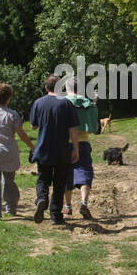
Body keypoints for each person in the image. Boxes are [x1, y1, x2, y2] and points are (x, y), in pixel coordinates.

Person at [28, 73, 79, 225]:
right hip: (62, 150)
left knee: (43, 179)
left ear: (46, 87)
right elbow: (73, 129)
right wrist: (75, 148)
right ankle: (56, 216)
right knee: (59, 183)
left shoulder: (38, 103)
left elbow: (33, 125)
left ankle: (42, 198)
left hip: (43, 148)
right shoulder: (67, 104)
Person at [0, 82, 33, 220]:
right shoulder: (13, 114)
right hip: (10, 151)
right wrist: (33, 147)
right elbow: (21, 134)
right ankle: (11, 208)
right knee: (9, 181)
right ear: (9, 98)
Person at [63, 80, 98, 219]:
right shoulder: (89, 104)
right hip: (82, 142)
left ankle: (67, 206)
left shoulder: (62, 103)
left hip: (65, 143)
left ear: (66, 89)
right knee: (84, 171)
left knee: (66, 173)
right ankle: (83, 202)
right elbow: (95, 129)